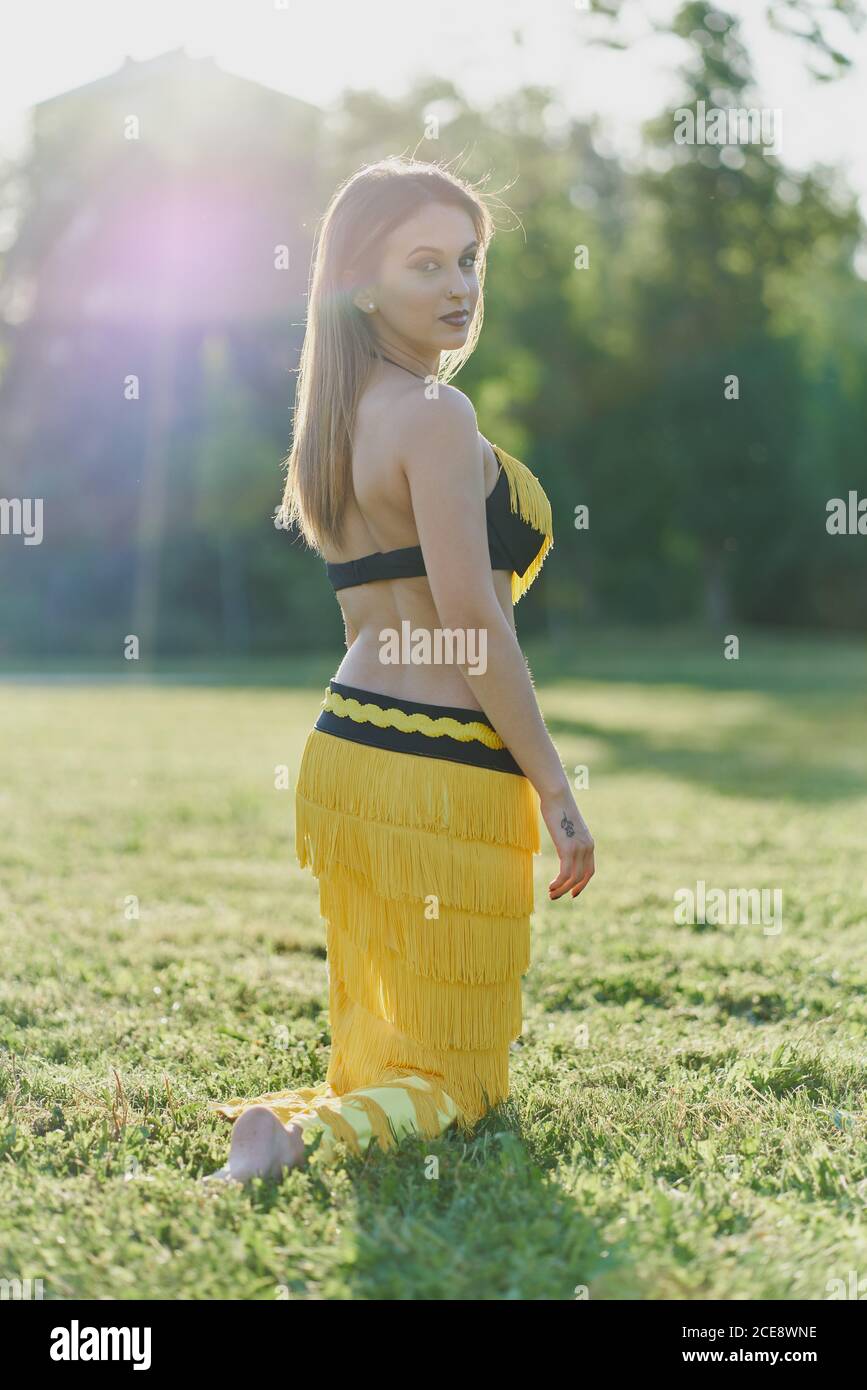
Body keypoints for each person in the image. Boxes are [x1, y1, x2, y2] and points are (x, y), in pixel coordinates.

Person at [202, 156, 594, 1184]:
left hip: (347, 758)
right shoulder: (434, 414)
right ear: (363, 282)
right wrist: (554, 782)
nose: (460, 286)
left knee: (383, 1046)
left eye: (469, 261)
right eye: (427, 264)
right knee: (460, 1086)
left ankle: (298, 1117)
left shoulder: (330, 426)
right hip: (442, 766)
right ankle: (293, 1139)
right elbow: (473, 624)